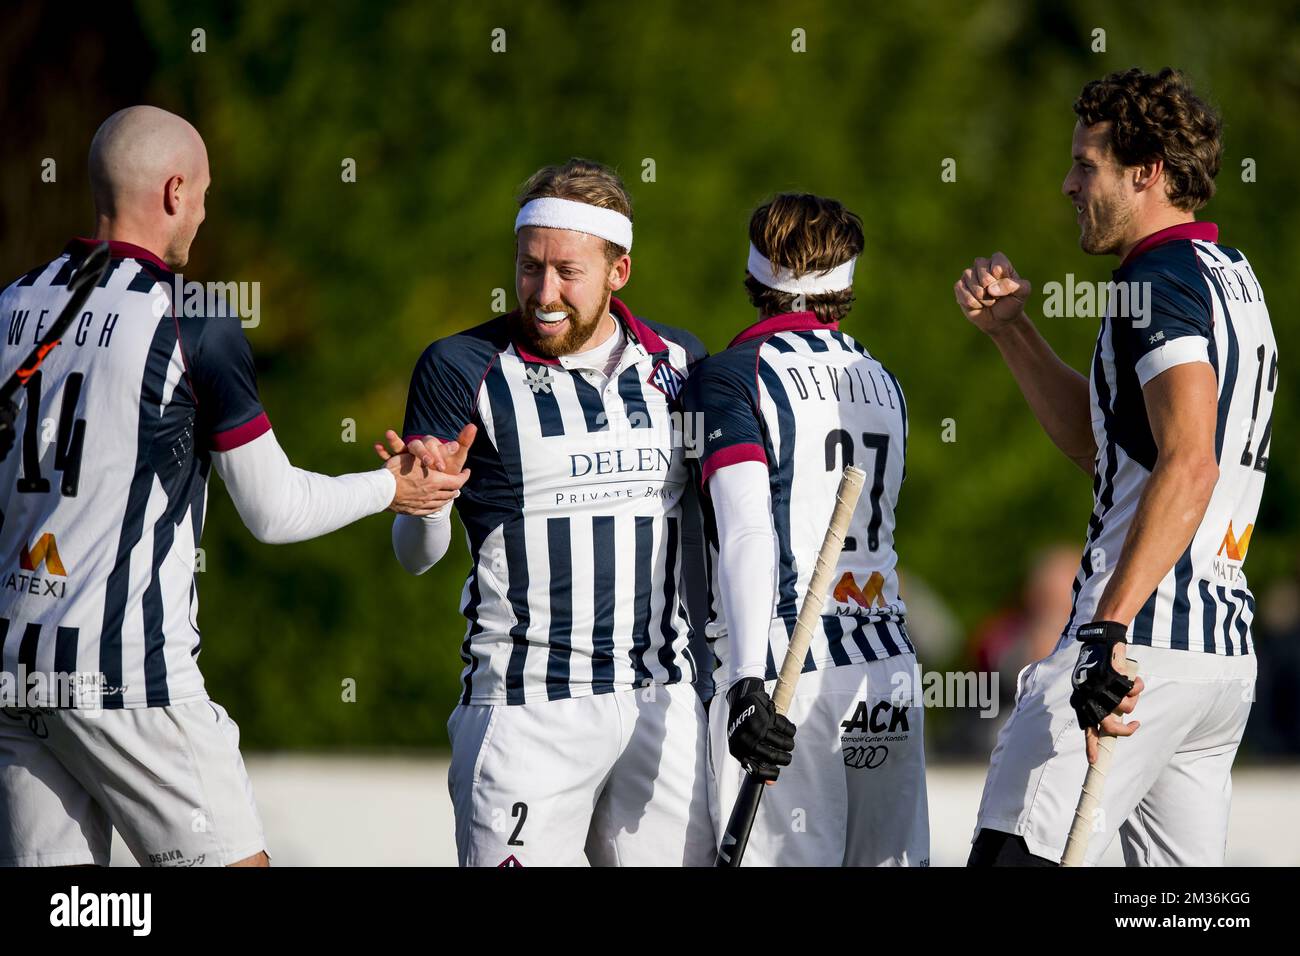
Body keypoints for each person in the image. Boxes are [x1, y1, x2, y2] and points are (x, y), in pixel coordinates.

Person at [0, 106, 456, 867]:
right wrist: (392, 488)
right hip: (131, 680)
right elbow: (274, 511)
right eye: (205, 194)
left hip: (16, 674)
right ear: (176, 191)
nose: (206, 213)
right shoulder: (193, 322)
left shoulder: (13, 305)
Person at [957, 68, 1275, 866]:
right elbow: (1107, 450)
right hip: (1216, 662)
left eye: (1085, 165)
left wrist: (1106, 629)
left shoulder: (1154, 280)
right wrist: (1014, 333)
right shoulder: (1232, 276)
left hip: (1136, 650)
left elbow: (1190, 463)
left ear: (1148, 173)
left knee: (1009, 857)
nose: (1068, 185)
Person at [388, 158, 713, 866]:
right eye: (529, 267)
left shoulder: (680, 361)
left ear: (618, 271)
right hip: (525, 706)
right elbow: (416, 555)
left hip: (661, 701)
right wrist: (426, 502)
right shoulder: (460, 365)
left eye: (568, 270)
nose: (543, 292)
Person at [684, 193, 928, 866]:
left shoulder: (730, 378)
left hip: (787, 680)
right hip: (887, 670)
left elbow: (746, 533)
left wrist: (743, 683)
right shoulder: (881, 378)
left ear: (755, 278)